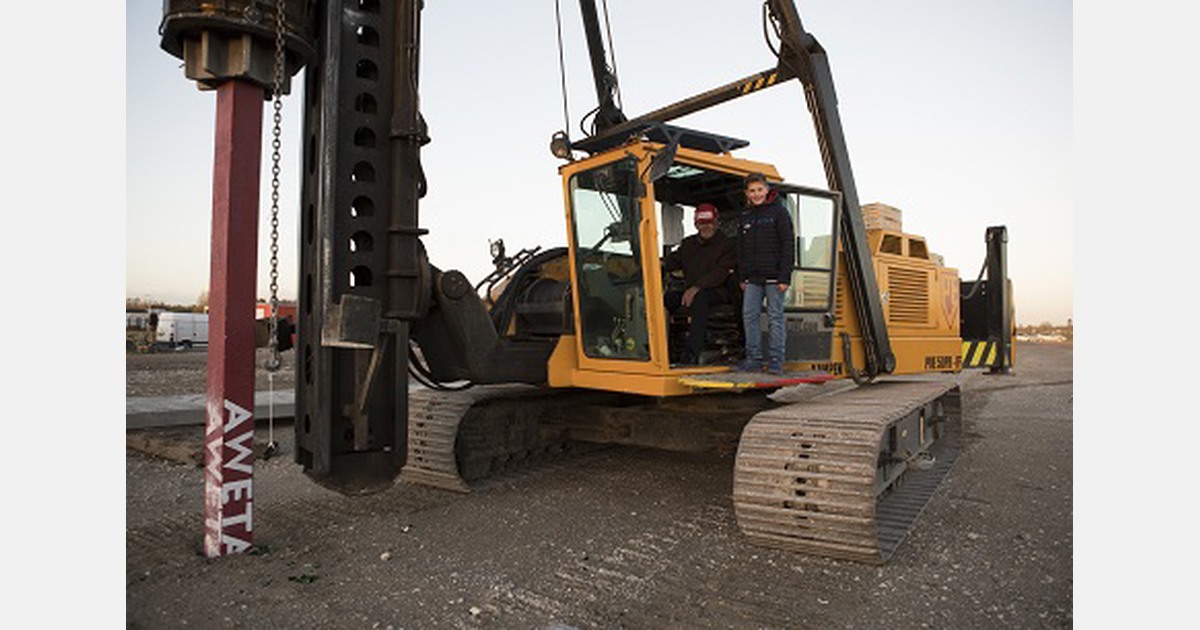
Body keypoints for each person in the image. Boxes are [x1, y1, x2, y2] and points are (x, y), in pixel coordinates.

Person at [662, 203, 737, 365]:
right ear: (696, 224)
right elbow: (672, 261)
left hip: (718, 292)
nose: (706, 227)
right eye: (702, 223)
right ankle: (662, 349)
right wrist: (655, 264)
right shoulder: (688, 244)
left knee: (700, 298)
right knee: (666, 299)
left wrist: (697, 288)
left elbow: (720, 273)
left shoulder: (727, 245)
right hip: (691, 291)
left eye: (709, 222)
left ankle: (692, 354)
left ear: (716, 222)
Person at [736, 173, 795, 375]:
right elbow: (740, 249)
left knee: (775, 318)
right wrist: (742, 277)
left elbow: (788, 245)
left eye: (759, 189)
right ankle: (754, 359)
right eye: (752, 191)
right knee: (749, 316)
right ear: (747, 193)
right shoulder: (745, 215)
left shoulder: (779, 213)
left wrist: (785, 277)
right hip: (752, 278)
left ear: (767, 190)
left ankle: (776, 361)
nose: (756, 194)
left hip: (774, 277)